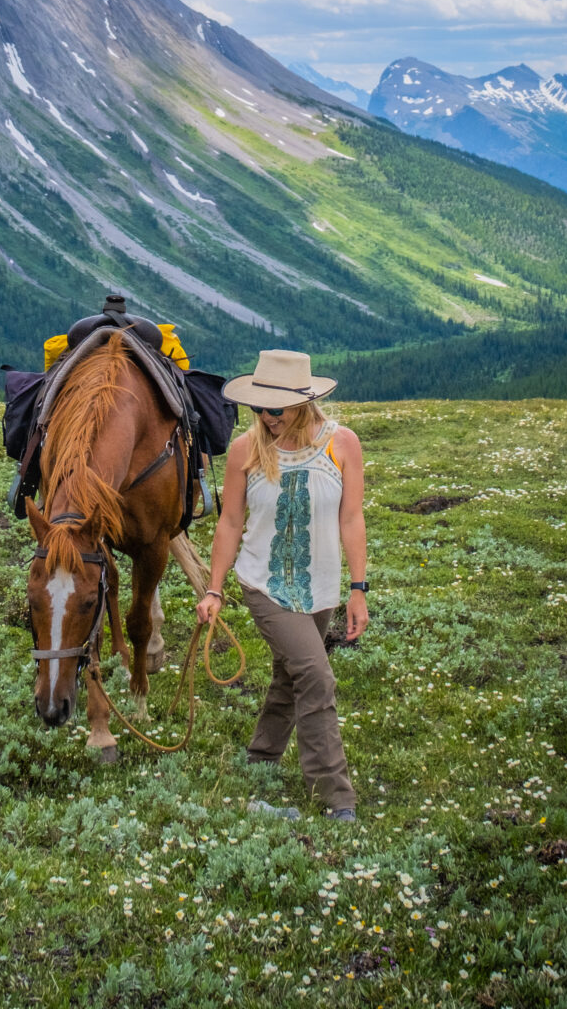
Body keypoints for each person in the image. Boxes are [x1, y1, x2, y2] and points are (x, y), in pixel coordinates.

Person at [196, 348, 367, 820]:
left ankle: (262, 760)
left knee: (289, 676)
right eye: (259, 408)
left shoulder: (342, 444)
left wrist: (359, 589)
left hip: (322, 585)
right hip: (264, 583)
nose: (267, 417)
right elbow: (230, 523)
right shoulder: (244, 451)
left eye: (276, 408)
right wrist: (214, 588)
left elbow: (352, 519)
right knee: (315, 675)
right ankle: (335, 798)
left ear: (303, 402)